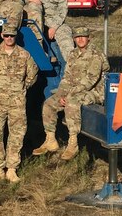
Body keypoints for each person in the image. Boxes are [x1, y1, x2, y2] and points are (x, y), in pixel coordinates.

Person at [36, 26, 110, 160]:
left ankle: (73, 142)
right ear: (74, 39)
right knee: (49, 103)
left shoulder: (96, 55)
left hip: (94, 92)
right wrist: (61, 94)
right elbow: (67, 78)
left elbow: (90, 80)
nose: (80, 39)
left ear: (89, 38)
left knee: (72, 102)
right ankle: (50, 139)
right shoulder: (72, 55)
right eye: (77, 37)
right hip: (74, 91)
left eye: (83, 36)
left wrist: (68, 95)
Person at [0, 24, 38, 183]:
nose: (9, 38)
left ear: (15, 36)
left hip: (17, 102)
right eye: (6, 35)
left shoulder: (24, 55)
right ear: (2, 35)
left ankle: (12, 169)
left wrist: (22, 87)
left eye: (12, 35)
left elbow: (33, 74)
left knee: (16, 134)